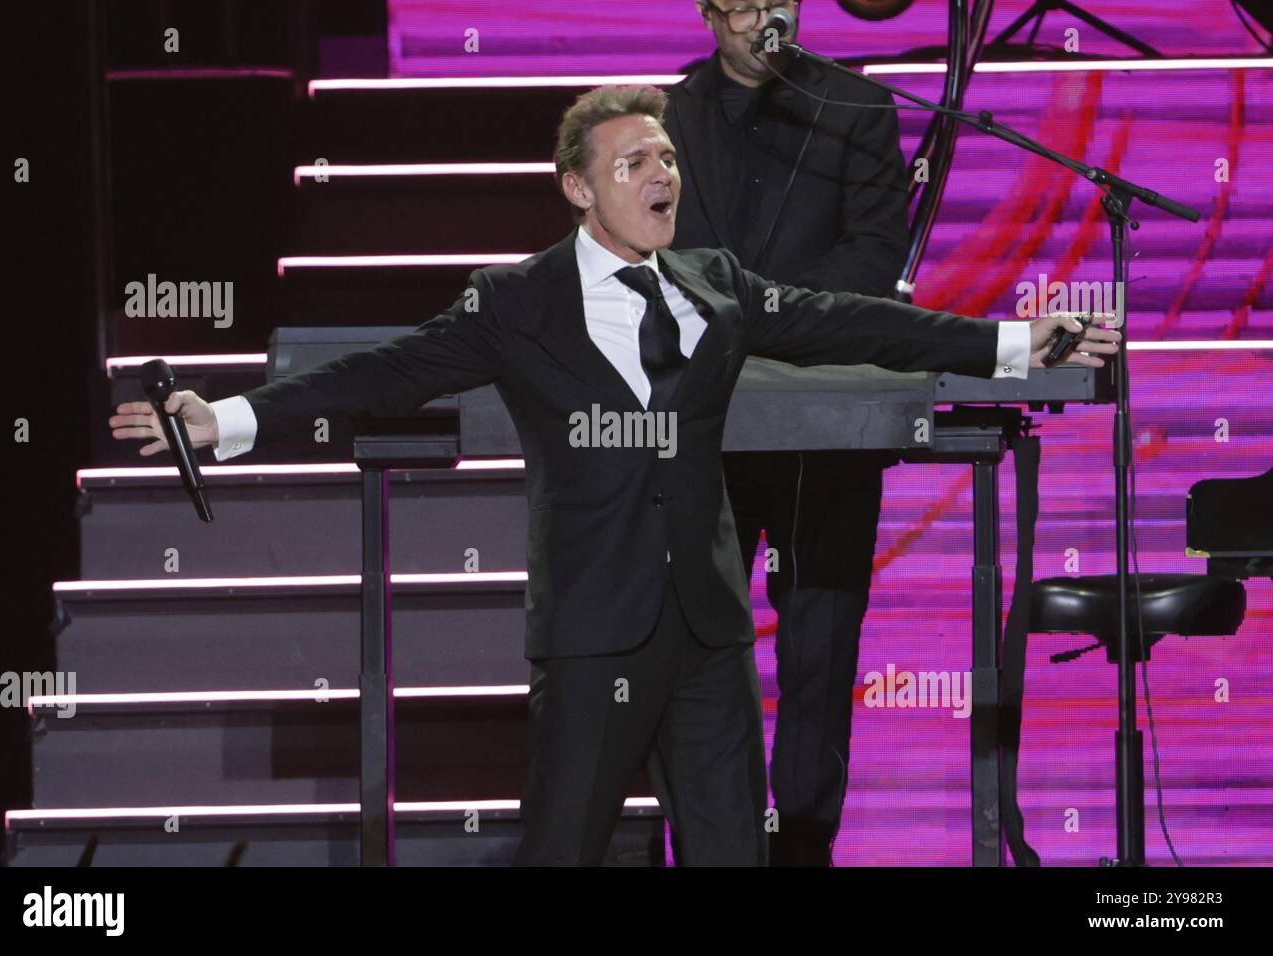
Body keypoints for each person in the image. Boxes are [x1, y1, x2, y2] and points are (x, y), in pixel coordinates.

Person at [110, 85, 1118, 866]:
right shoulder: (516, 302)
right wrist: (230, 414)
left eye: (668, 156)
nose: (661, 172)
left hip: (708, 635)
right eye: (634, 159)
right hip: (594, 639)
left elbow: (846, 320)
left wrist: (1014, 344)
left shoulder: (714, 284)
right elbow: (388, 368)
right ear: (580, 187)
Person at [666, 0, 911, 863]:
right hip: (698, 426)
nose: (762, 18)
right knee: (699, 647)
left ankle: (805, 845)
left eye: (780, 1)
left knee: (821, 647)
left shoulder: (858, 108)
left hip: (826, 418)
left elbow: (876, 256)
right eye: (742, 3)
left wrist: (767, 321)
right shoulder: (661, 117)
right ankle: (714, 844)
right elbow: (648, 258)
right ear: (706, 11)